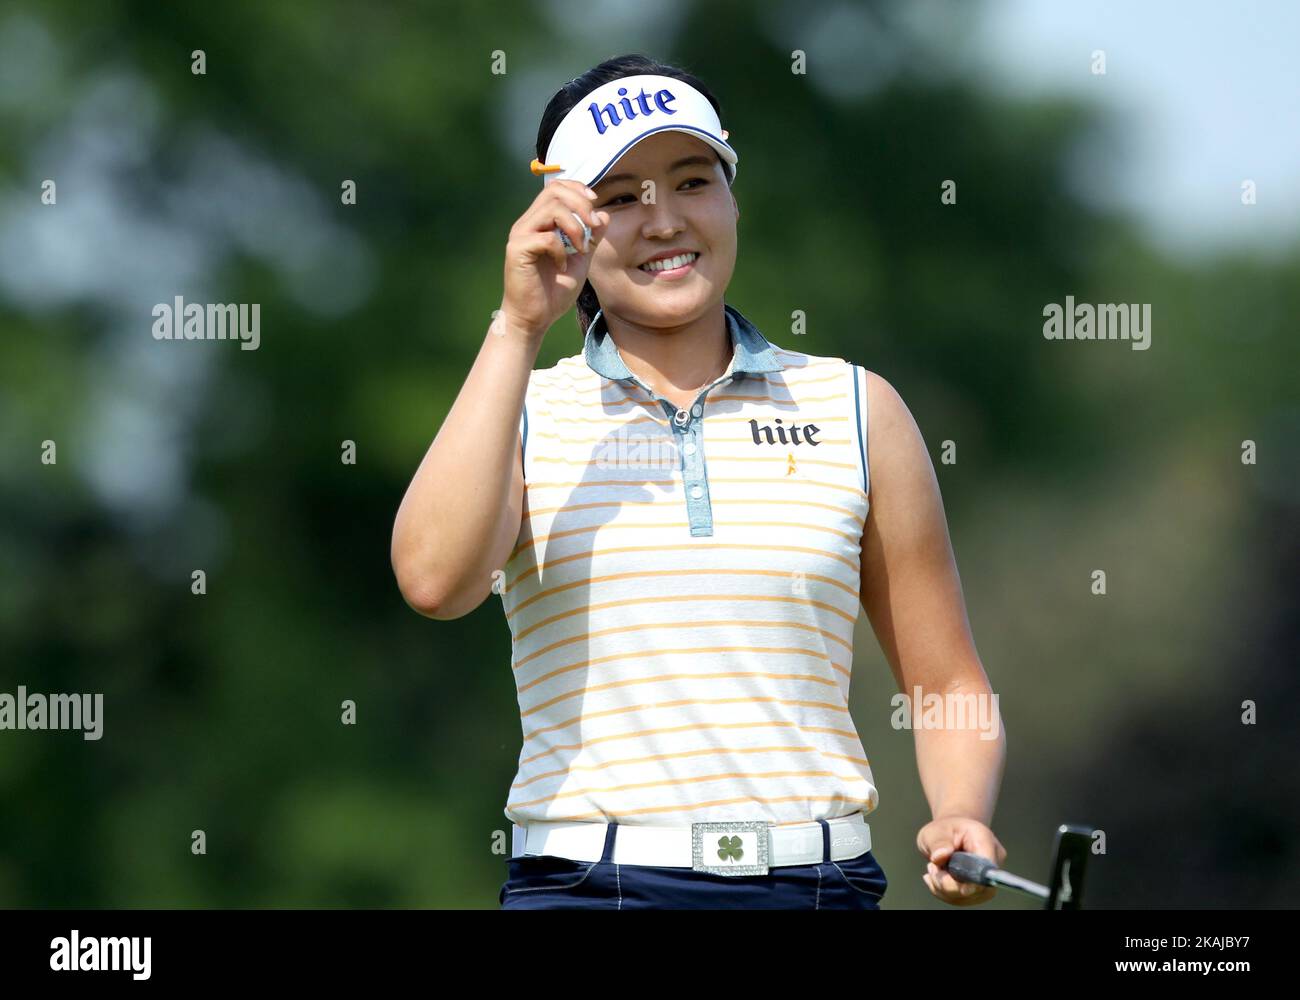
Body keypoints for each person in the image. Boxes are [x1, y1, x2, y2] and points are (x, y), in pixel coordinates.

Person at [391, 53, 1007, 909]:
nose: (664, 221)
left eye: (691, 181)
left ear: (731, 198)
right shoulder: (519, 412)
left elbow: (946, 686)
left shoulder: (857, 409)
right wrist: (518, 324)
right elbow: (433, 579)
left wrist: (962, 810)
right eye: (618, 199)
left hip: (815, 886)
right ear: (564, 224)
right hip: (584, 886)